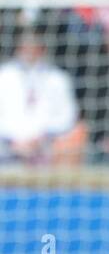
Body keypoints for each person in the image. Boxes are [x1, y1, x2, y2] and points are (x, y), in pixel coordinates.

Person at [0, 32, 79, 163]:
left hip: (49, 147)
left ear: (42, 49)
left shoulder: (58, 78)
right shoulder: (3, 76)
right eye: (25, 47)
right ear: (18, 48)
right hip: (5, 146)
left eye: (34, 47)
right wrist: (13, 140)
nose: (30, 51)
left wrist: (42, 137)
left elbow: (68, 116)